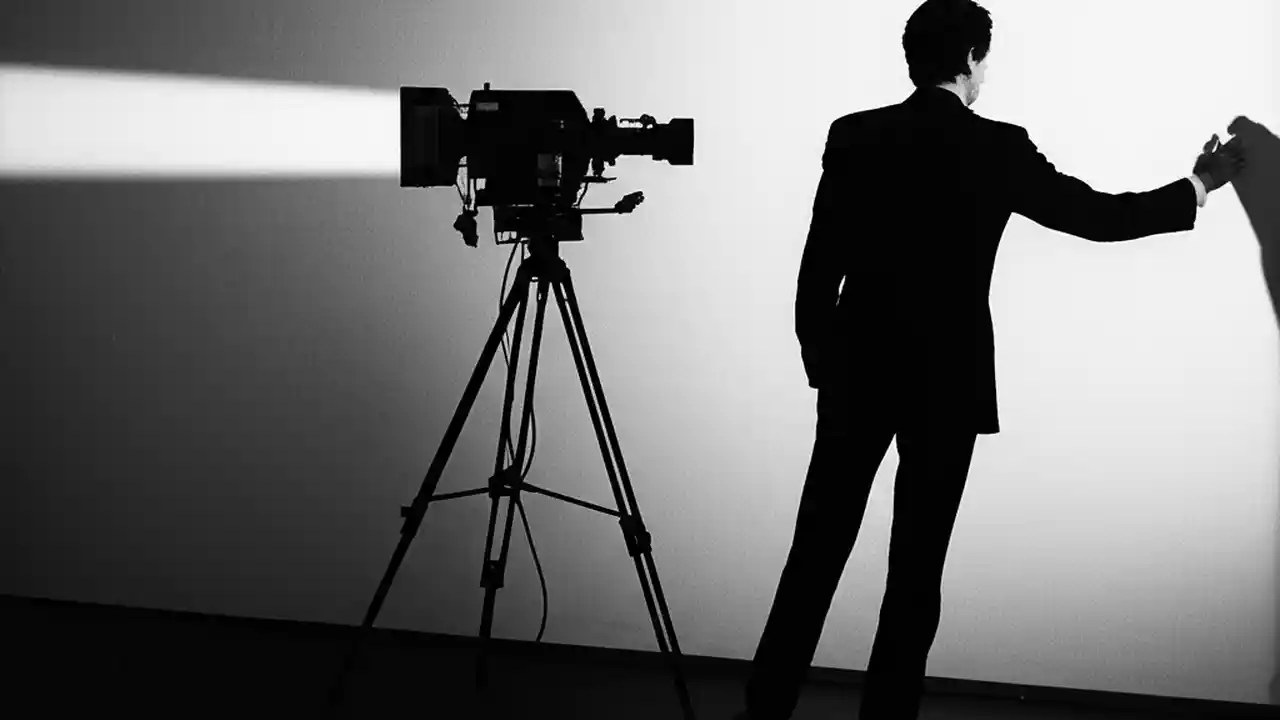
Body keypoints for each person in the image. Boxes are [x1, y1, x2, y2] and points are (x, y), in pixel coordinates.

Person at [734, 1, 1245, 719]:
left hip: (856, 375)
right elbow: (1097, 217)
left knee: (812, 557)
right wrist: (1196, 186)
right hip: (948, 383)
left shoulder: (853, 136)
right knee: (915, 573)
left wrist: (827, 364)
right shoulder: (998, 147)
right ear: (972, 57)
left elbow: (817, 271)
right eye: (986, 59)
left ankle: (762, 712)